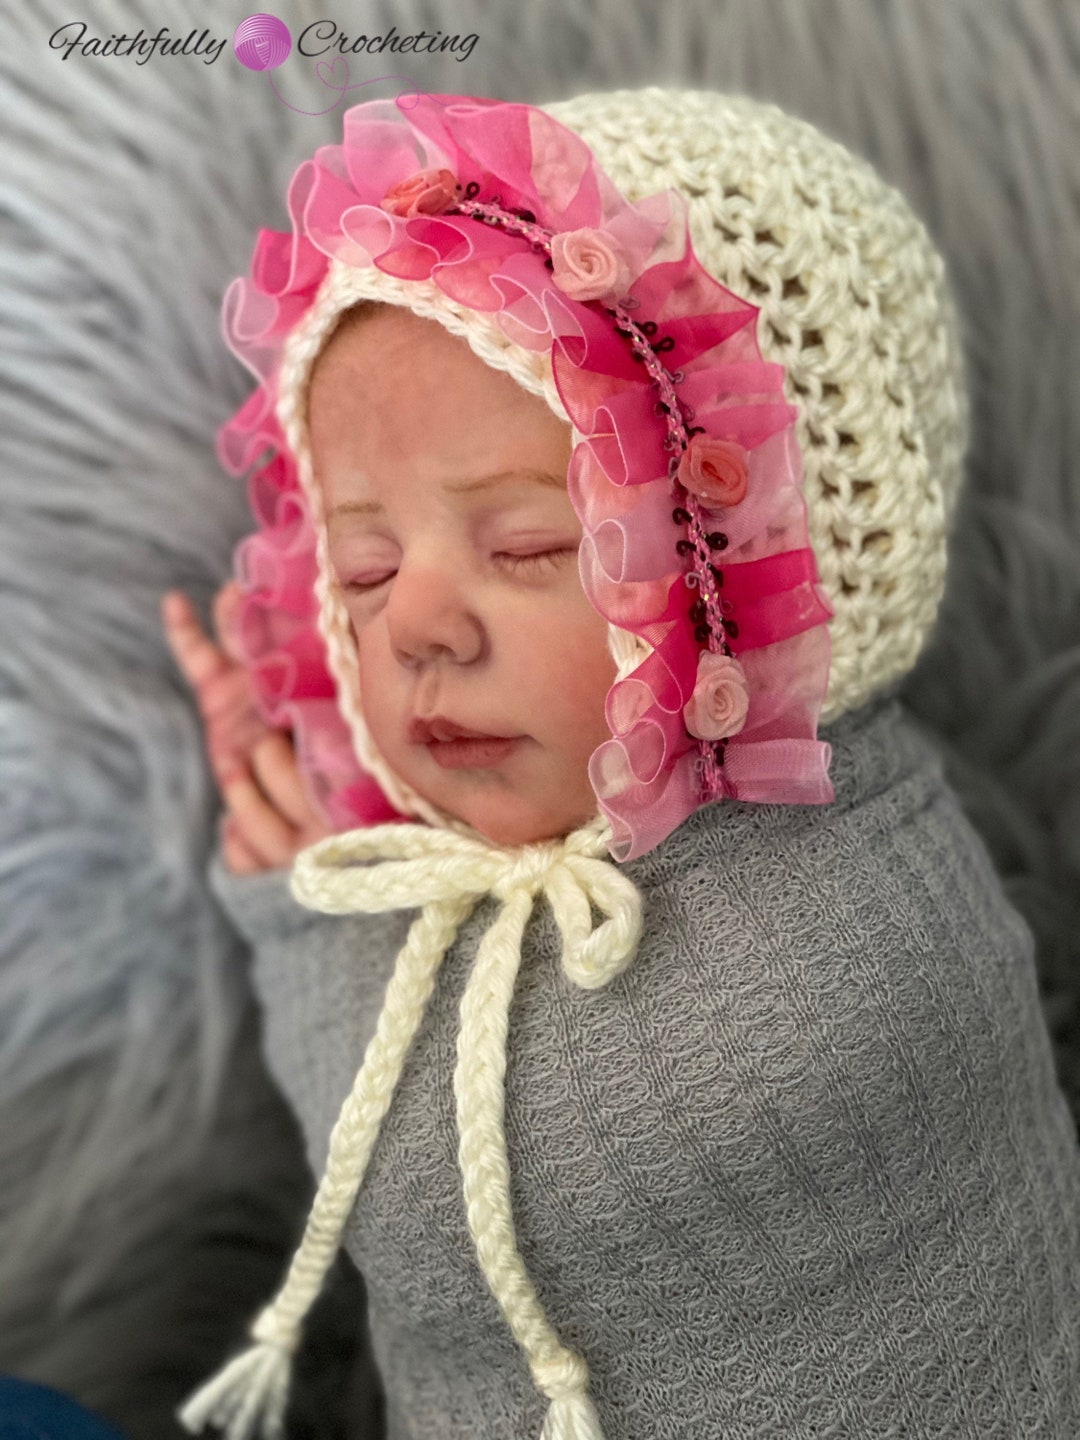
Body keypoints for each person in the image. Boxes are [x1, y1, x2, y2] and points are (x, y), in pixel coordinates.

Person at [164, 89, 1080, 1439]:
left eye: (530, 544)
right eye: (361, 568)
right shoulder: (474, 882)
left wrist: (317, 953)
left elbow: (465, 1187)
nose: (410, 622)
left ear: (754, 556)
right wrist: (321, 851)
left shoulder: (861, 925)